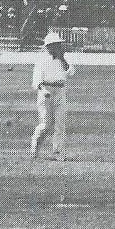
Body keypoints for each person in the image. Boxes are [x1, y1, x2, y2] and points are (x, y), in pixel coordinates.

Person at [31, 31, 76, 160]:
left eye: (59, 45)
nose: (58, 47)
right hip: (46, 91)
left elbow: (71, 72)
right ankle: (35, 143)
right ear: (48, 46)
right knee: (46, 124)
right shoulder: (42, 60)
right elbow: (37, 79)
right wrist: (43, 90)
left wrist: (62, 59)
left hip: (60, 91)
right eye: (55, 45)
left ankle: (58, 152)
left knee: (60, 124)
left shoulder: (63, 58)